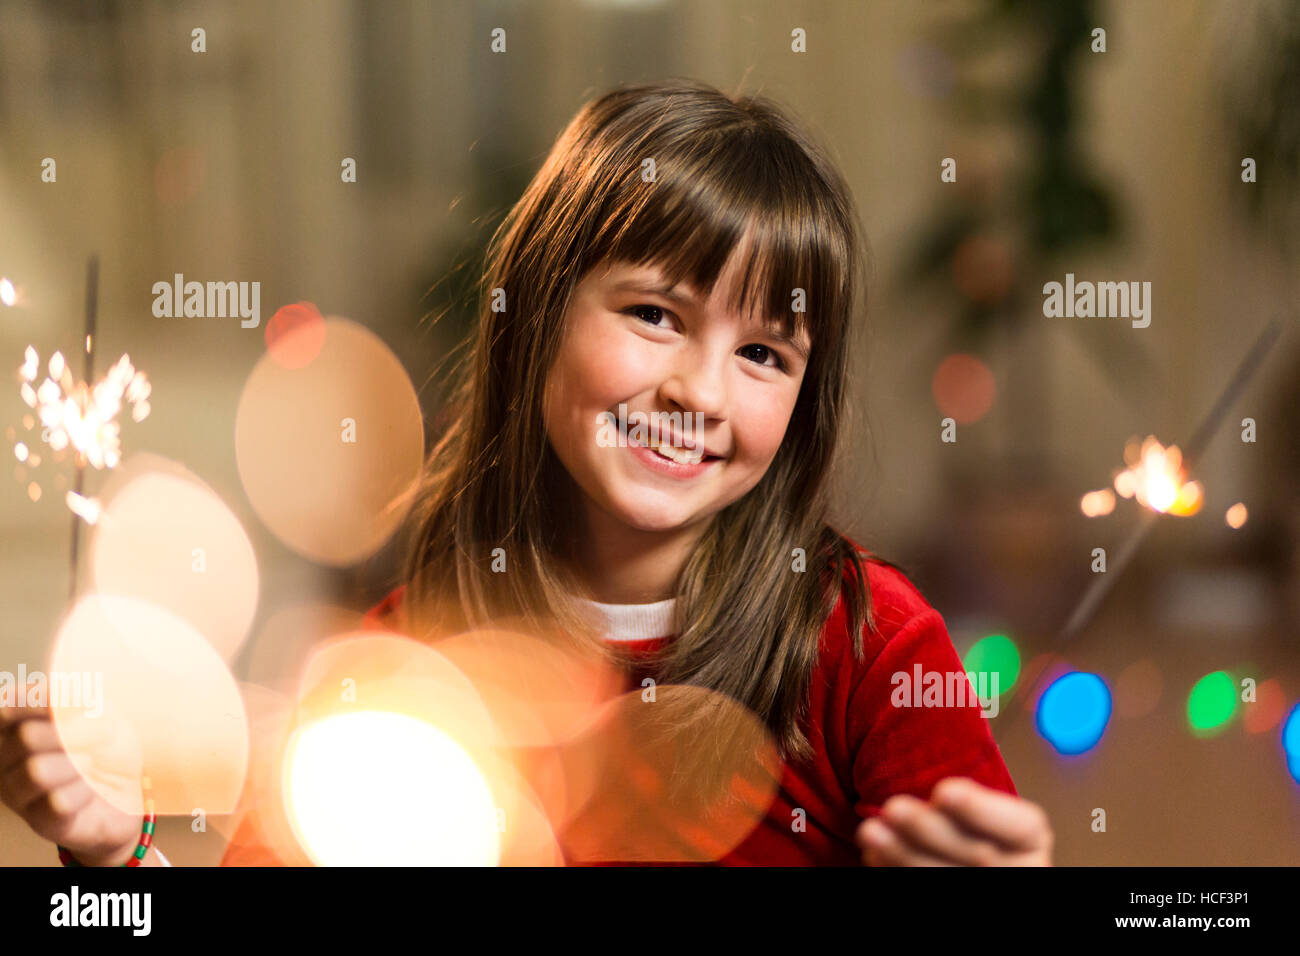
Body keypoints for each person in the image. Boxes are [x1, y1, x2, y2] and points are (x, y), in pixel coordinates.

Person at [1, 79, 1052, 867]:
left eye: (762, 353)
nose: (701, 390)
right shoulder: (401, 663)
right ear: (538, 311)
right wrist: (109, 851)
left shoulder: (869, 643)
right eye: (655, 315)